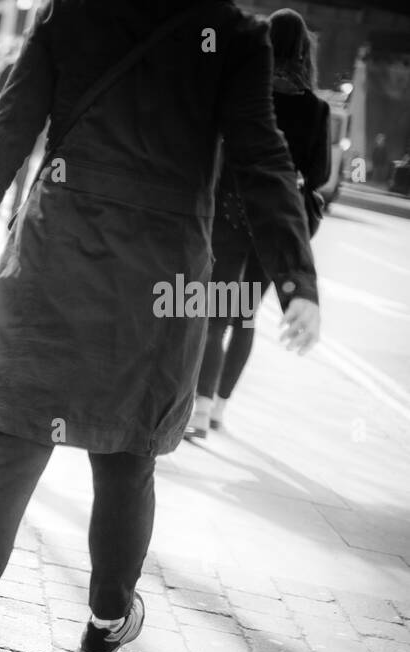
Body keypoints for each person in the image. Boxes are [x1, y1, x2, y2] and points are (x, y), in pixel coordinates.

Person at [0, 0, 322, 652]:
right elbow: (262, 158)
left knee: (8, 458)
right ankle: (105, 624)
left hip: (55, 256)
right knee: (128, 459)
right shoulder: (236, 37)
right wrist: (294, 282)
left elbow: (10, 130)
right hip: (160, 283)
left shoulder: (74, 13)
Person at [189, 7, 330, 438]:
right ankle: (220, 409)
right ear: (304, 51)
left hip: (231, 213)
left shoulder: (250, 92)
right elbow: (320, 175)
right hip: (276, 224)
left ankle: (200, 407)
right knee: (246, 317)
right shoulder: (316, 109)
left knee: (216, 314)